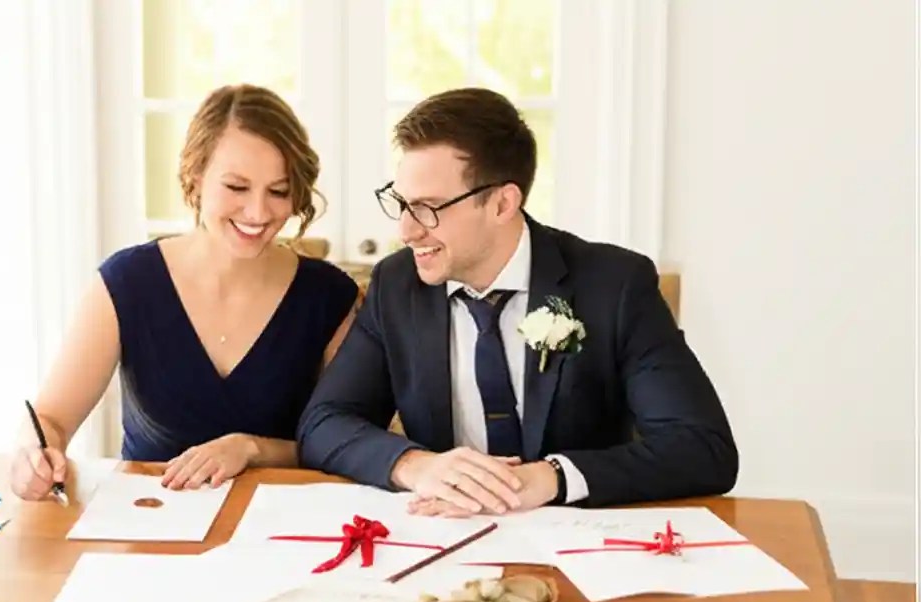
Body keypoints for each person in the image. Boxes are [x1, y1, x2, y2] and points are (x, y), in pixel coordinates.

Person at [296, 87, 737, 516]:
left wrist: (550, 478)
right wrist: (418, 466)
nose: (407, 232)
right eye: (402, 204)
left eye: (429, 208)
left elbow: (703, 448)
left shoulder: (614, 285)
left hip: (579, 544)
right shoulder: (397, 285)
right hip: (442, 537)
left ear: (504, 203)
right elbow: (323, 423)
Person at [12, 84, 359, 501]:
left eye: (279, 191)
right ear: (196, 176)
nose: (258, 212)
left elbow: (354, 445)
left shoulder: (331, 297)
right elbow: (51, 419)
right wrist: (33, 455)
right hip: (150, 530)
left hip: (283, 537)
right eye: (236, 187)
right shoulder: (127, 283)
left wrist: (251, 448)